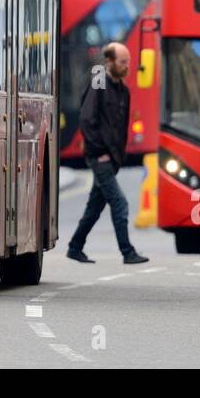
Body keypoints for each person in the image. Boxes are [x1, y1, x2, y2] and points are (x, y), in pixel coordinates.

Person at [67, 43, 149, 266]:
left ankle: (75, 247)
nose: (127, 66)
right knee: (120, 203)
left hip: (113, 159)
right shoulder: (99, 82)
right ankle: (127, 252)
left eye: (128, 62)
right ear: (109, 62)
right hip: (100, 157)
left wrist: (117, 156)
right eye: (122, 62)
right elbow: (87, 119)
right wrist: (99, 152)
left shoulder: (123, 90)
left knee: (95, 207)